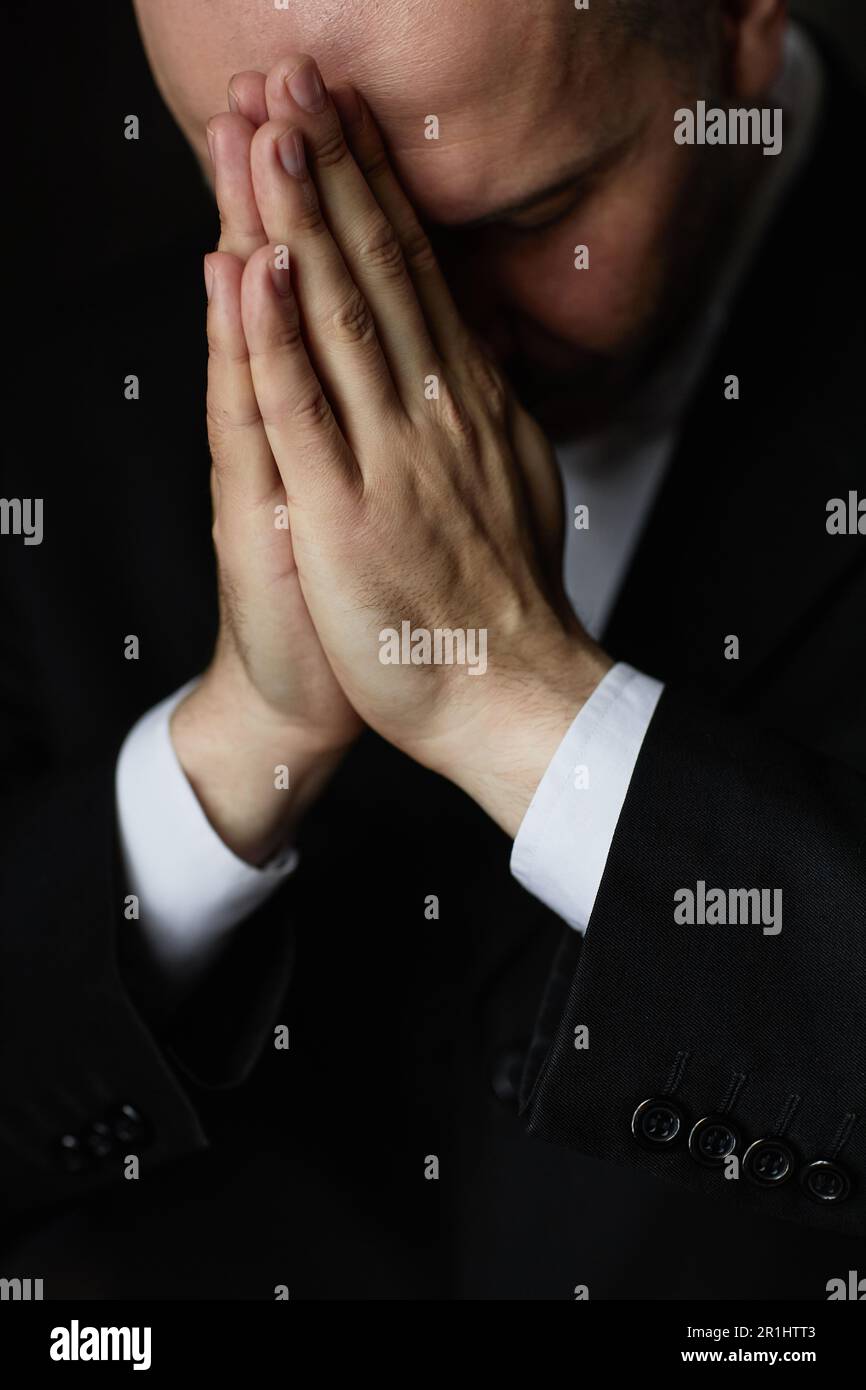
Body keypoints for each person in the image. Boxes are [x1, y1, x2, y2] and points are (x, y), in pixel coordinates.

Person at [0, 0, 863, 1300]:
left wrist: (523, 710)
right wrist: (234, 750)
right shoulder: (55, 432)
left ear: (741, 27)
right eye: (290, 201)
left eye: (527, 220)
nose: (422, 360)